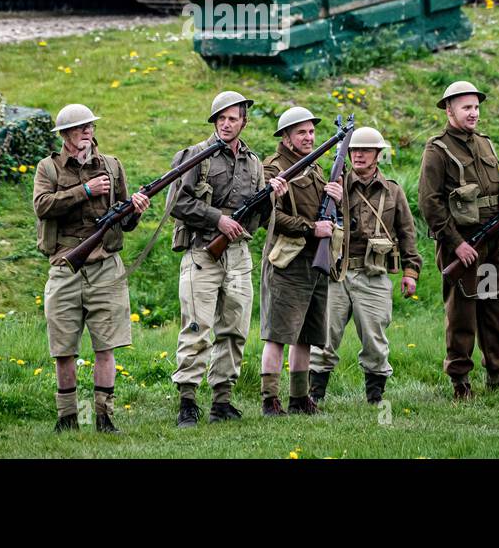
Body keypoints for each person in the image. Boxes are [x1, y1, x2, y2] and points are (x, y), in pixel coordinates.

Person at [169, 90, 287, 427]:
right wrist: (215, 219)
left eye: (232, 118)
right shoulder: (196, 156)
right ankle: (188, 402)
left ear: (243, 121)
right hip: (202, 252)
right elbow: (176, 203)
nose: (226, 123)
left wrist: (272, 197)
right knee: (196, 327)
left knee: (234, 329)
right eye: (221, 118)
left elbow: (259, 219)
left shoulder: (253, 163)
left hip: (237, 255)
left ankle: (222, 400)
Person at [32, 103, 149, 433]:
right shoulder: (48, 169)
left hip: (105, 267)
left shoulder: (112, 166)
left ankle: (103, 416)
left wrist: (136, 209)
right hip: (64, 266)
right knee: (63, 348)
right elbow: (42, 206)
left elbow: (125, 223)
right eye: (79, 128)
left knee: (105, 345)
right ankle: (68, 417)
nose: (87, 132)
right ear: (65, 135)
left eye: (89, 127)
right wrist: (84, 191)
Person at [418, 81, 499, 399]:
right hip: (463, 245)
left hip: (495, 243)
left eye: (476, 107)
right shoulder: (437, 149)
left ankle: (496, 375)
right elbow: (430, 202)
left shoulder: (486, 145)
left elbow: (491, 193)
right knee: (462, 316)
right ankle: (460, 382)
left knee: (497, 312)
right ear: (449, 110)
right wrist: (455, 243)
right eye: (467, 107)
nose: (474, 113)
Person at [309, 126, 420, 405]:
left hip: (374, 274)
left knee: (375, 340)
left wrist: (410, 271)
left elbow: (407, 233)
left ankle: (375, 398)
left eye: (365, 150)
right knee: (324, 337)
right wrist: (329, 196)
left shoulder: (393, 191)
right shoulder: (333, 185)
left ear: (377, 155)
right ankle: (314, 396)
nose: (358, 155)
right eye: (354, 150)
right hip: (336, 272)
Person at [258, 107, 341, 416]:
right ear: (287, 137)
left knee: (306, 335)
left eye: (311, 131)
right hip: (287, 260)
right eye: (302, 132)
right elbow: (269, 217)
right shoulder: (273, 169)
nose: (309, 137)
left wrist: (337, 198)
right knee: (279, 334)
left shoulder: (317, 168)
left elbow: (326, 214)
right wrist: (310, 228)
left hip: (315, 261)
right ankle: (270, 400)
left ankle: (299, 398)